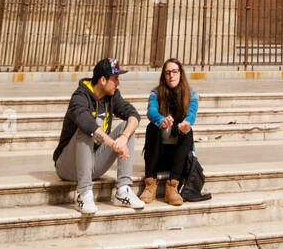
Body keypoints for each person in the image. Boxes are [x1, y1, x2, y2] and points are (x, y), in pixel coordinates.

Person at [53, 57, 146, 215]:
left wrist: (123, 138)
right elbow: (87, 124)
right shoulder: (80, 97)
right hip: (68, 165)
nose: (118, 83)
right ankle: (84, 195)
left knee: (126, 127)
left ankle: (123, 190)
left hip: (94, 163)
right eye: (115, 78)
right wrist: (113, 143)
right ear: (103, 80)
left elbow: (133, 115)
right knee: (86, 129)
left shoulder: (112, 96)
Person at [140, 57, 198, 205]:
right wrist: (161, 121)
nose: (171, 75)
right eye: (167, 73)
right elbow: (151, 111)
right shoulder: (156, 93)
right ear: (163, 76)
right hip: (159, 155)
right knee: (151, 127)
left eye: (174, 72)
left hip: (179, 158)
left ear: (180, 74)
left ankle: (173, 187)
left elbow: (192, 113)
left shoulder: (191, 94)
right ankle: (150, 184)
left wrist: (186, 123)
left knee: (188, 132)